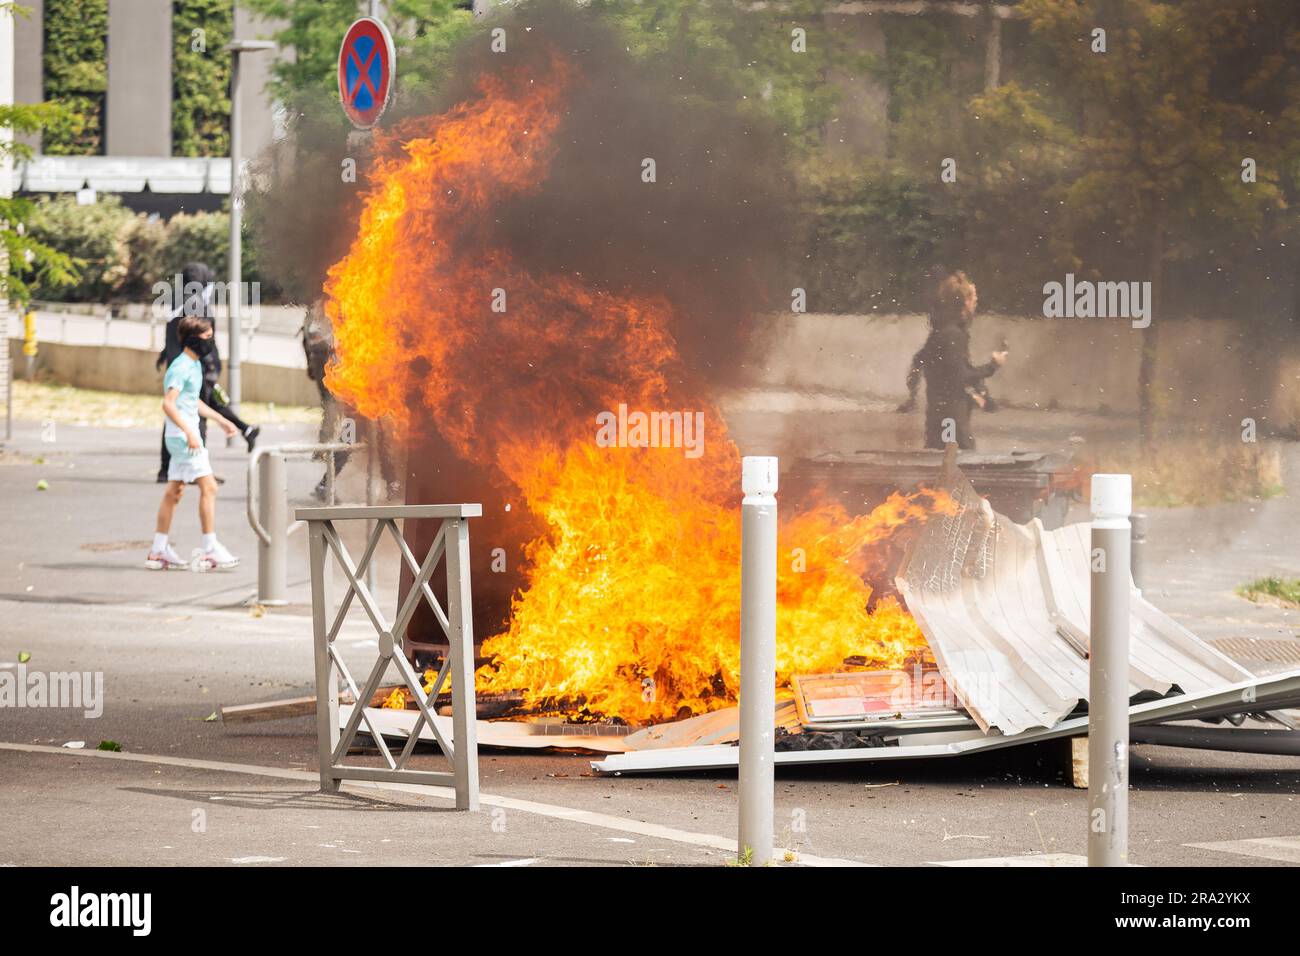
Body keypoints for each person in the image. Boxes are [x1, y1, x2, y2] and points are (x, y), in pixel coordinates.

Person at [145, 316, 241, 571]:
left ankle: (158, 549)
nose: (211, 342)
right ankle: (210, 549)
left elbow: (191, 401)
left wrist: (221, 419)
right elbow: (168, 403)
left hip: (180, 437)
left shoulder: (193, 365)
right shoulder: (181, 367)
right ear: (193, 339)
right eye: (208, 338)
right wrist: (189, 432)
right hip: (184, 438)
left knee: (174, 491)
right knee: (209, 488)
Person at [155, 262, 259, 482]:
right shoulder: (197, 304)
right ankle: (197, 472)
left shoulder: (175, 300)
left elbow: (173, 332)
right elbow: (203, 338)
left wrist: (165, 354)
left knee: (180, 413)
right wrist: (211, 368)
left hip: (178, 364)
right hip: (194, 367)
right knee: (193, 415)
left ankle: (169, 470)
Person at [914, 271, 1007, 450]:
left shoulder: (940, 332)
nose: (976, 300)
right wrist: (993, 366)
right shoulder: (954, 335)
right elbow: (962, 375)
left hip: (937, 413)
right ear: (965, 302)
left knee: (939, 466)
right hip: (952, 417)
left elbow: (947, 374)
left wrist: (974, 395)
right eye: (974, 297)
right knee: (963, 467)